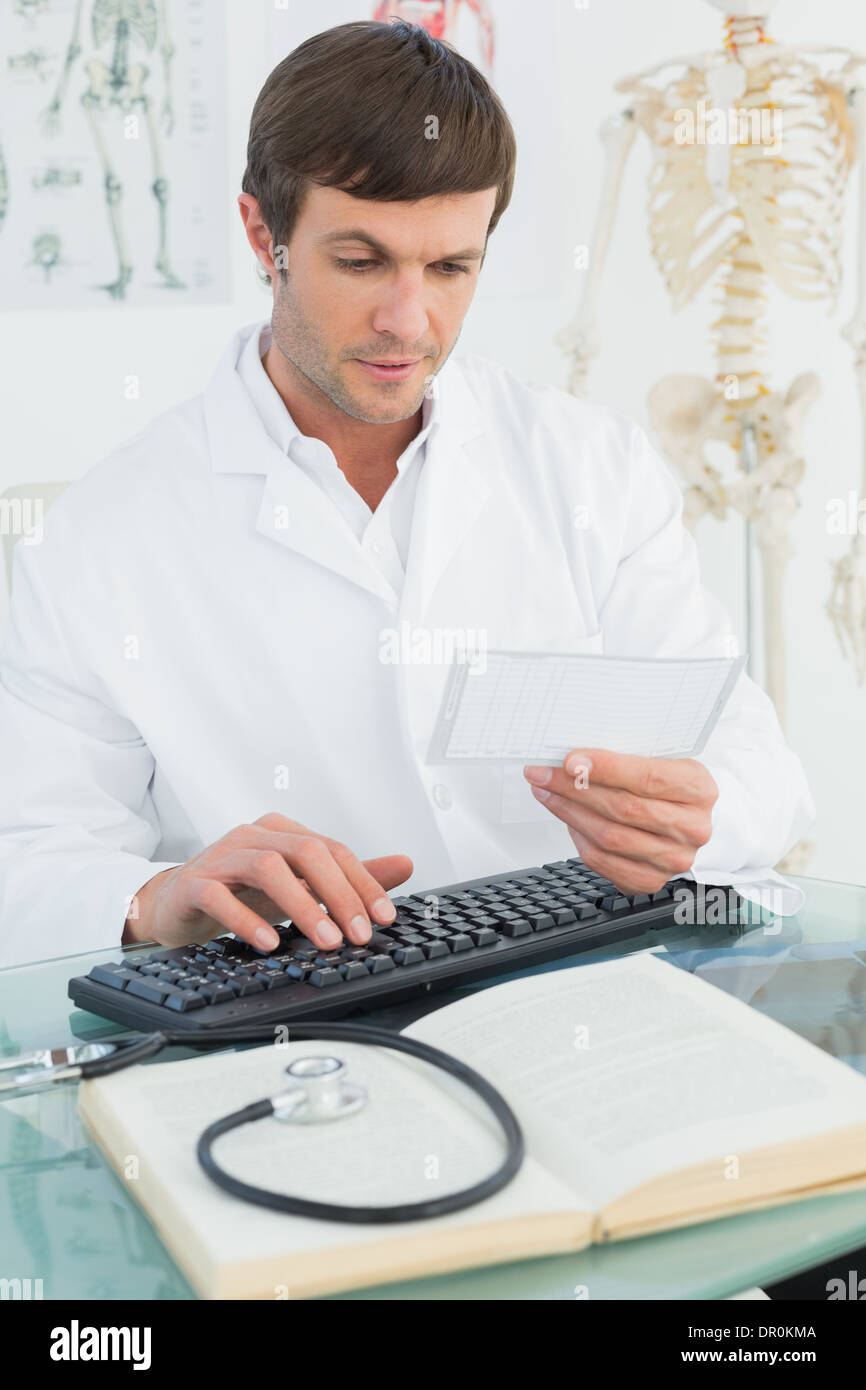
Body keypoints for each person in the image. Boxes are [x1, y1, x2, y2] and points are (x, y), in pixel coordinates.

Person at [0, 20, 813, 969]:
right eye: (361, 261)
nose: (408, 321)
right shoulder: (100, 539)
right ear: (264, 233)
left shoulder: (590, 468)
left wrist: (695, 822)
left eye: (450, 268)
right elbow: (28, 862)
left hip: (587, 999)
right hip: (293, 1048)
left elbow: (755, 761)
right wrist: (152, 897)